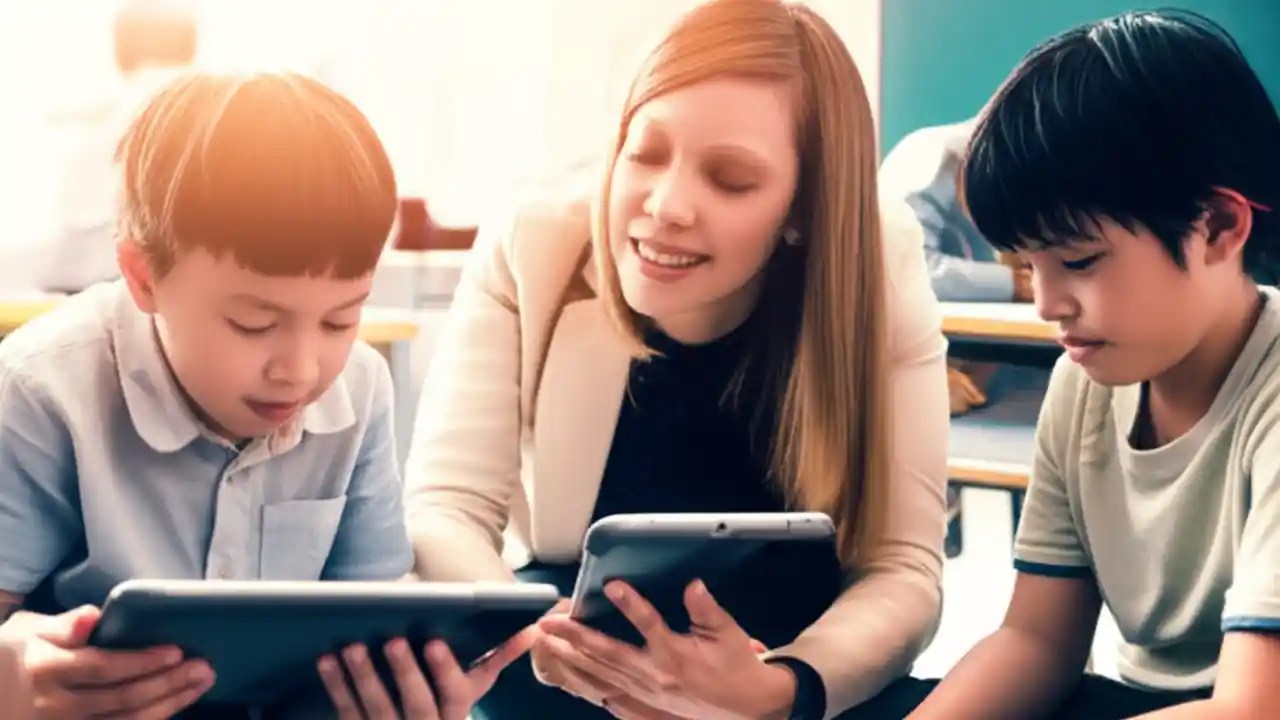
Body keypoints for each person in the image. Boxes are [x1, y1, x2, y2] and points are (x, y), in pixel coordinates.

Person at [403, 0, 950, 718]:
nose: (666, 204)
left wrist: (778, 692)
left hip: (796, 660)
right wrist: (542, 640)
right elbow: (446, 507)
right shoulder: (534, 245)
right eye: (646, 152)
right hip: (570, 659)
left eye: (730, 179)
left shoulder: (876, 263)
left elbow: (902, 568)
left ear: (802, 210)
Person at [0, 72, 518, 720]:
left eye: (341, 319)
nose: (301, 370)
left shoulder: (360, 389)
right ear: (143, 276)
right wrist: (12, 674)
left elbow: (372, 615)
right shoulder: (41, 390)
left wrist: (411, 689)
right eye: (254, 324)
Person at [861, 10, 1280, 719]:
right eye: (1027, 266)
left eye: (1079, 262)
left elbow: (1251, 707)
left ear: (1218, 226)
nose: (1048, 303)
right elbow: (1036, 639)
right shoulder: (1082, 385)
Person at [37, 0, 201, 294]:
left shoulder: (100, 112)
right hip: (126, 272)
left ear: (120, 50)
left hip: (69, 270)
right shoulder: (197, 102)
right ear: (190, 44)